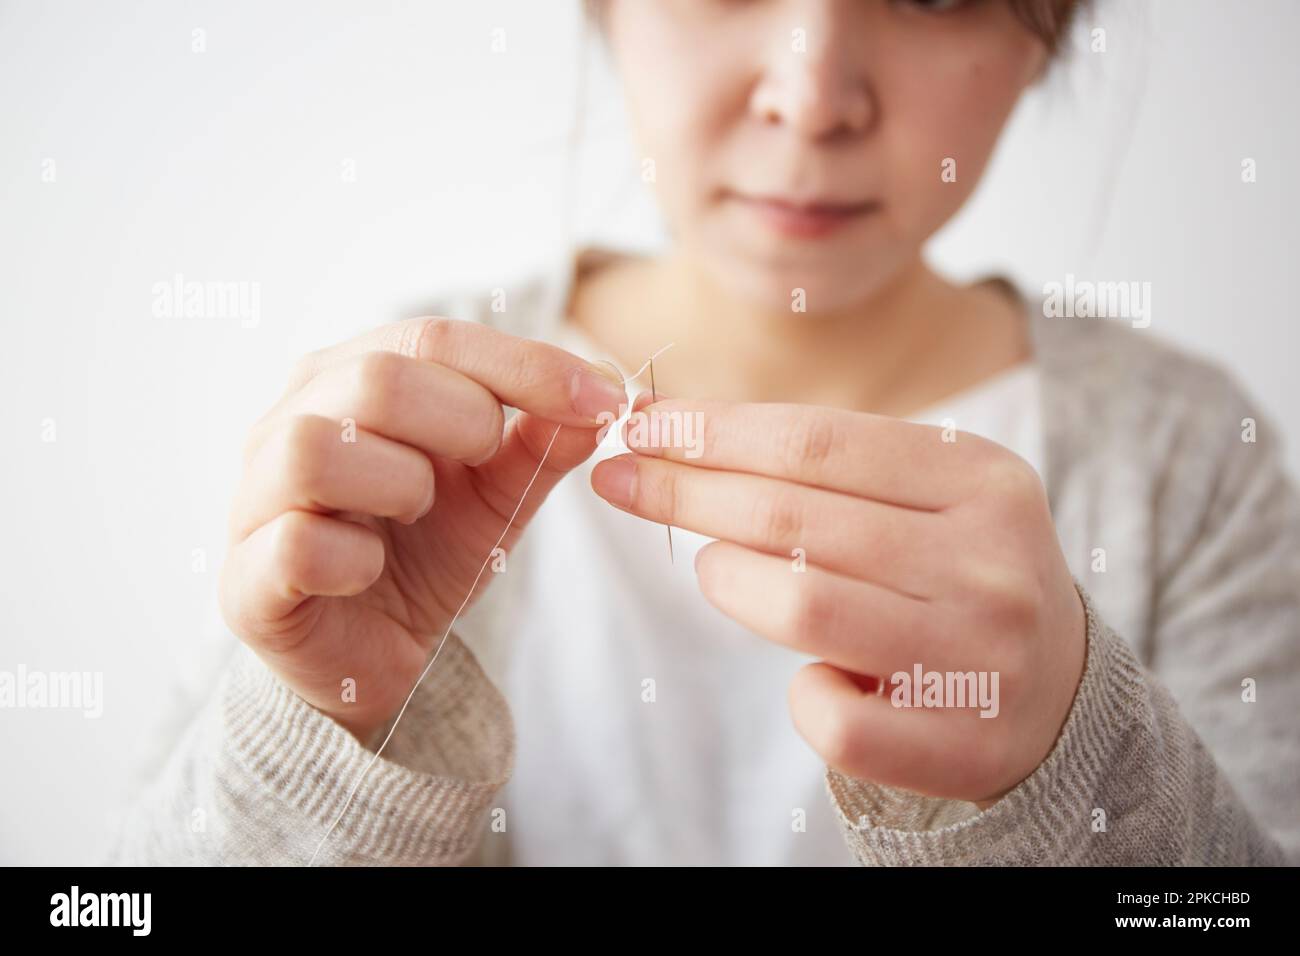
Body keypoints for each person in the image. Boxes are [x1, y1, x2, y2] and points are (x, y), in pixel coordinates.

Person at [109, 0, 1299, 866]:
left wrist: (1070, 765)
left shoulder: (1184, 457)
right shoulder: (393, 427)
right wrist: (331, 719)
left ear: (1051, 33)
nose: (811, 96)